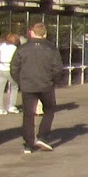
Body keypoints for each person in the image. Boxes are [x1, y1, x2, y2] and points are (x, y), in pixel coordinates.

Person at [11, 22, 64, 154]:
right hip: (46, 84)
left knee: (28, 114)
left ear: (31, 33)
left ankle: (28, 144)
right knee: (50, 109)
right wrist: (54, 81)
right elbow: (58, 68)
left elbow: (14, 67)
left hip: (28, 85)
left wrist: (20, 81)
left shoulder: (22, 49)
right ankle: (43, 136)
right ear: (45, 34)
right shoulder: (51, 48)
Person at [0, 32, 20, 113]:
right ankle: (11, 106)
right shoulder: (14, 48)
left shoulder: (1, 46)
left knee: (0, 89)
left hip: (0, 68)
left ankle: (0, 108)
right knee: (14, 86)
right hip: (10, 69)